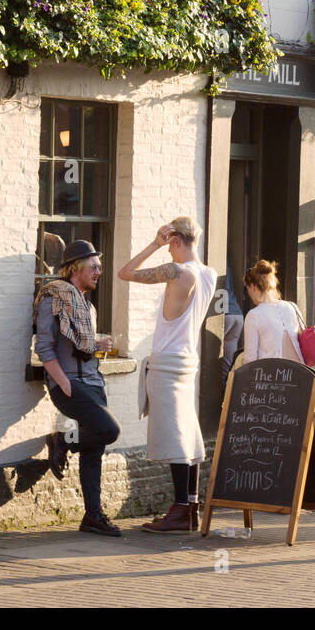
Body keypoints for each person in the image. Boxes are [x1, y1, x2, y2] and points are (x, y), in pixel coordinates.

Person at [121, 217, 218, 533]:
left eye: (168, 242)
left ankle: (179, 510)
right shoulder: (208, 274)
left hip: (167, 362)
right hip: (189, 360)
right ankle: (190, 505)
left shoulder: (178, 272)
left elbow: (126, 273)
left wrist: (153, 244)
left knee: (177, 435)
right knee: (188, 432)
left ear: (175, 240)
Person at [36, 240, 122, 537]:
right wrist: (64, 384)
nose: (99, 272)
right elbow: (44, 348)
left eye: (100, 267)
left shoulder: (87, 306)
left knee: (95, 447)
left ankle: (92, 517)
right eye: (95, 267)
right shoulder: (53, 300)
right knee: (110, 430)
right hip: (70, 384)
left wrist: (98, 347)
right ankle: (61, 440)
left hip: (93, 382)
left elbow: (83, 348)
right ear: (77, 268)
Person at [239, 259, 303, 364]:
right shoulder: (291, 306)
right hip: (297, 373)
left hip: (270, 375)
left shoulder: (254, 315)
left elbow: (250, 359)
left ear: (254, 287)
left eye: (248, 288)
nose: (248, 293)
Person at [221, 261, 245, 381]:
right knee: (229, 361)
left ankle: (225, 391)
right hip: (237, 314)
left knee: (219, 357)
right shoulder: (227, 264)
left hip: (224, 314)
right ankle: (229, 390)